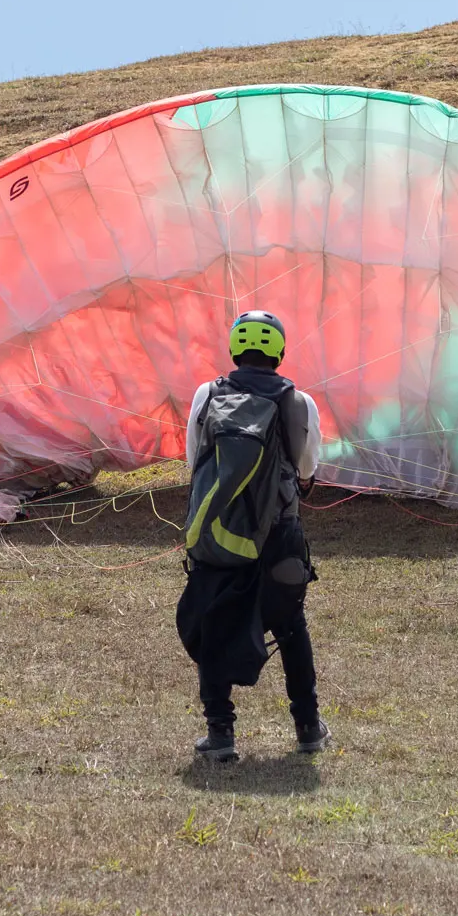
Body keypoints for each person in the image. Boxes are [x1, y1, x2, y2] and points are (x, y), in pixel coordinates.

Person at [176, 311, 330, 762]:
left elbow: (194, 462)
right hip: (279, 533)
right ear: (278, 353)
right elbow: (306, 469)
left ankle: (220, 733)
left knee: (214, 620)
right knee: (289, 625)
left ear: (235, 349)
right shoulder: (298, 402)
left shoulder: (208, 394)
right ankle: (307, 728)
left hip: (221, 530)